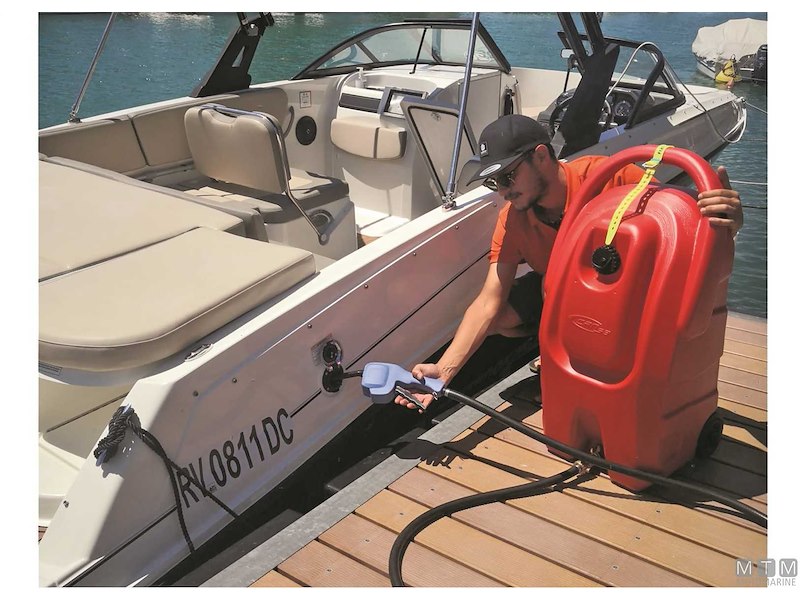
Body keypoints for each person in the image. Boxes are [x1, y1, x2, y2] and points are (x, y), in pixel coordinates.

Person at [395, 114, 743, 412]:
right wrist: (444, 370)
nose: (502, 190)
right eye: (493, 182)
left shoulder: (610, 177)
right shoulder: (513, 219)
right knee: (500, 317)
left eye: (508, 177)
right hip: (562, 295)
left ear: (541, 156)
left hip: (627, 296)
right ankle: (554, 349)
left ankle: (596, 358)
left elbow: (681, 229)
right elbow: (489, 299)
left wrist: (729, 220)